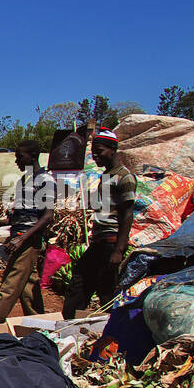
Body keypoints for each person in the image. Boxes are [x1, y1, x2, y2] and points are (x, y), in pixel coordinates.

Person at [63, 128, 137, 319]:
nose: (95, 156)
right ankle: (71, 323)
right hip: (98, 242)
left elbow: (127, 214)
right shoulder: (105, 176)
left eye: (100, 151)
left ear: (113, 150)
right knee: (78, 285)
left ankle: (109, 334)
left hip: (110, 243)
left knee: (106, 292)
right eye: (93, 152)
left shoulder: (124, 177)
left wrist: (119, 250)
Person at [0, 141, 55, 324]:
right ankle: (40, 323)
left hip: (28, 240)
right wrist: (2, 222)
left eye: (20, 156)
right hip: (18, 236)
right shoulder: (23, 180)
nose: (16, 161)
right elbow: (25, 214)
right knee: (28, 287)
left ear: (32, 157)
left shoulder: (46, 181)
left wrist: (22, 238)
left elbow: (47, 216)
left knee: (10, 286)